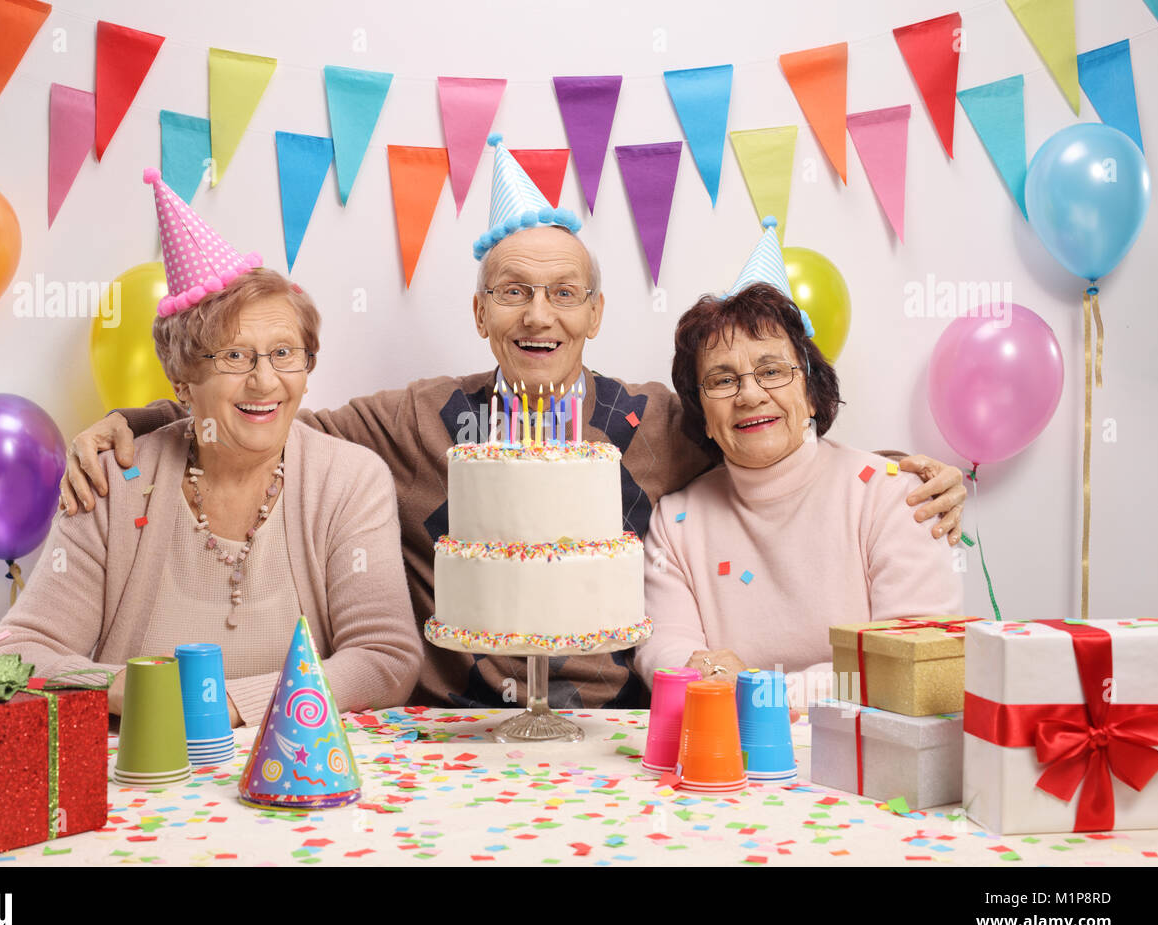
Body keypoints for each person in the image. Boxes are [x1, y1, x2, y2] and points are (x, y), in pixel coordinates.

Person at [56, 138, 966, 711]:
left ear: (596, 313)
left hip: (622, 724)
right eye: (514, 294)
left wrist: (905, 470)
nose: (540, 316)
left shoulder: (661, 419)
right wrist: (136, 420)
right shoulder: (413, 419)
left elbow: (766, 435)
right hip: (454, 723)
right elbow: (270, 410)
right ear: (480, 312)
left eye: (564, 294)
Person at [0, 169, 421, 726]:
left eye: (286, 353)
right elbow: (12, 653)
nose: (266, 381)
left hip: (304, 780)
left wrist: (223, 705)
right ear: (182, 382)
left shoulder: (350, 479)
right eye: (234, 357)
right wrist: (137, 691)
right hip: (147, 781)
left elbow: (384, 660)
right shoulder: (116, 480)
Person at [636, 221, 963, 701]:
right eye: (722, 381)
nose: (749, 394)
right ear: (703, 416)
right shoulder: (677, 520)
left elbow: (910, 658)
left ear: (811, 393)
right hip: (728, 753)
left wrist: (761, 692)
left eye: (771, 371)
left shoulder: (895, 496)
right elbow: (662, 642)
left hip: (865, 756)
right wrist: (697, 667)